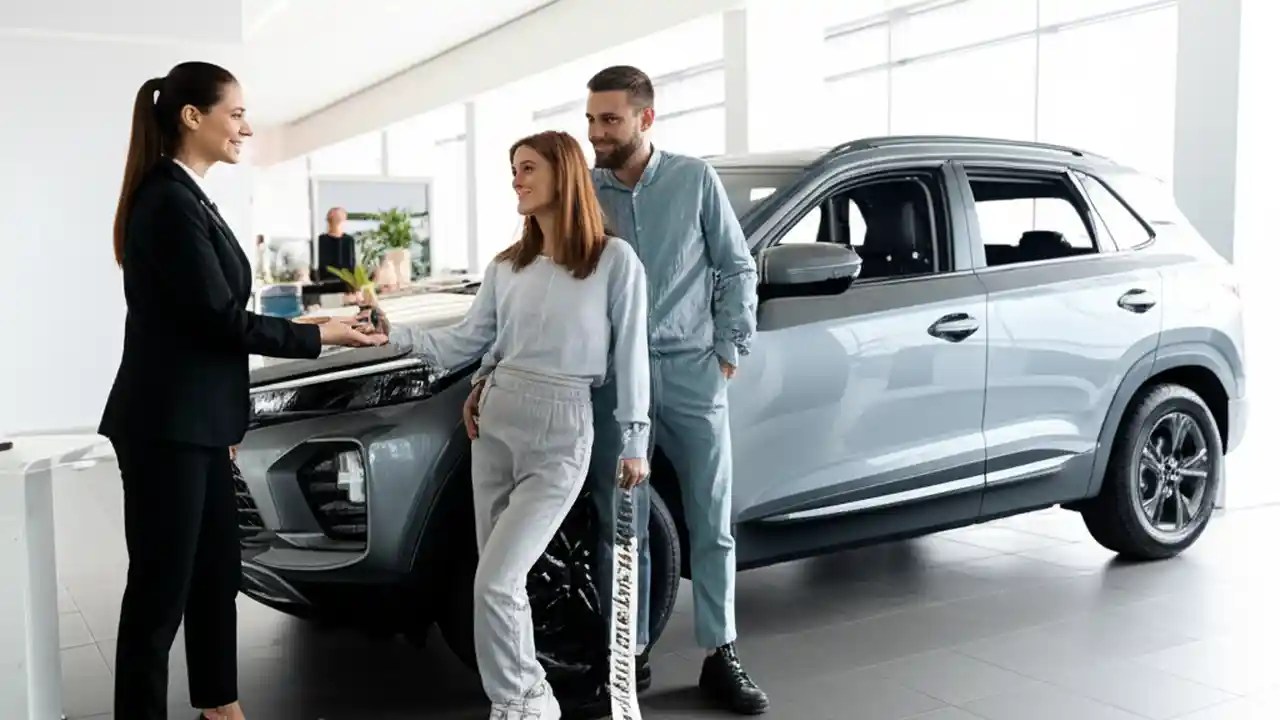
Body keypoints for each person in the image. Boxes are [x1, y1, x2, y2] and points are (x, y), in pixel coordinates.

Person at [97, 61, 385, 720]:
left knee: (213, 576)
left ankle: (220, 707)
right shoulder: (167, 200)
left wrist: (227, 419)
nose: (247, 128)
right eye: (235, 114)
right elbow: (215, 320)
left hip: (198, 423)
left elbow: (210, 317)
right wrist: (324, 336)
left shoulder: (186, 193)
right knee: (158, 596)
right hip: (167, 427)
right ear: (191, 117)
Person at [365, 130, 651, 720]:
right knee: (492, 582)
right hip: (494, 425)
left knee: (498, 580)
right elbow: (467, 343)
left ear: (563, 175)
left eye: (527, 168)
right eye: (513, 169)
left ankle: (530, 696)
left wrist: (635, 439)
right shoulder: (507, 265)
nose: (515, 179)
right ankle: (514, 701)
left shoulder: (612, 261)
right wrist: (394, 333)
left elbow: (631, 358)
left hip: (562, 427)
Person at [583, 64, 767, 715]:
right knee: (621, 524)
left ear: (644, 118)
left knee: (711, 520)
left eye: (610, 119)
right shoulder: (586, 190)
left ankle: (721, 653)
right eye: (591, 119)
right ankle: (627, 658)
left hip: (692, 374)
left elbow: (736, 265)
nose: (597, 132)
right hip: (617, 384)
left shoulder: (693, 179)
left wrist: (727, 348)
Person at [315, 206, 357, 281]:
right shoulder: (320, 240)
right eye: (331, 219)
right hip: (324, 283)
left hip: (345, 283)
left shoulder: (349, 240)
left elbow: (352, 265)